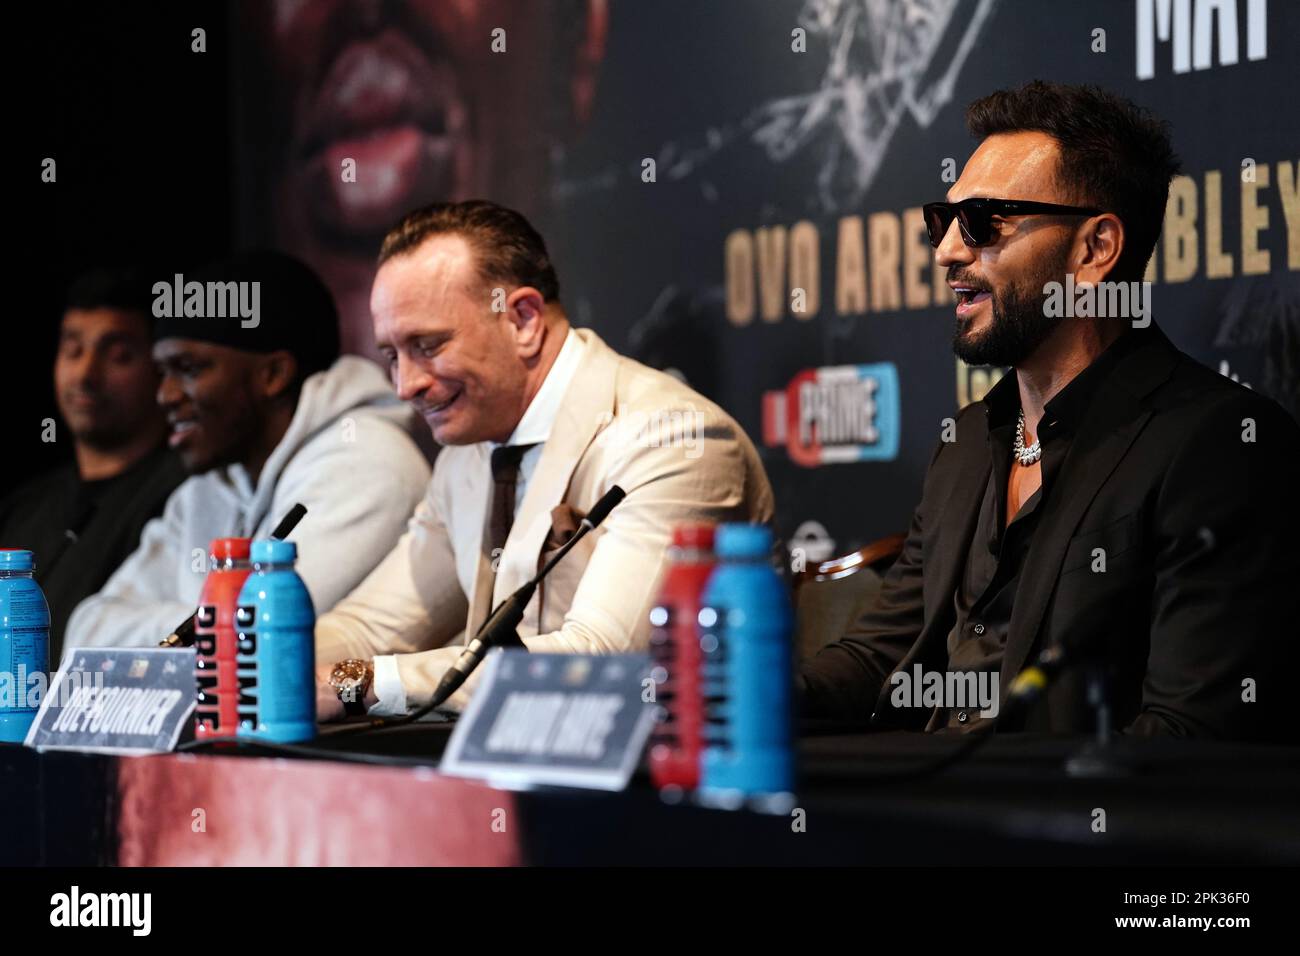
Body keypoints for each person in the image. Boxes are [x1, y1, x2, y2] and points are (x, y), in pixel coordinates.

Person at [799, 81, 1300, 742]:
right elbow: (880, 658)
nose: (948, 250)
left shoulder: (1222, 446)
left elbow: (1189, 735)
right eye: (941, 222)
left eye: (983, 222)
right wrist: (724, 698)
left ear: (1094, 250)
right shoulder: (969, 442)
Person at [315, 200, 774, 718]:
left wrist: (356, 683)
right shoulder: (467, 452)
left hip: (666, 780)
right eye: (393, 355)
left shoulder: (674, 439)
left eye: (428, 344)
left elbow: (605, 661)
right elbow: (368, 626)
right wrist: (248, 667)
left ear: (524, 319)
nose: (405, 385)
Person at [66, 251, 430, 651]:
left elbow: (260, 638)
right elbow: (87, 631)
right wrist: (215, 620)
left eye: (188, 369)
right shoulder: (208, 488)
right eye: (162, 372)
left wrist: (200, 622)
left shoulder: (366, 464)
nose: (165, 396)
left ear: (272, 375)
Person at [0, 269, 186, 661]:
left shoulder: (184, 497)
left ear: (160, 369)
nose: (86, 375)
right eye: (73, 351)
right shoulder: (26, 506)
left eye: (118, 356)